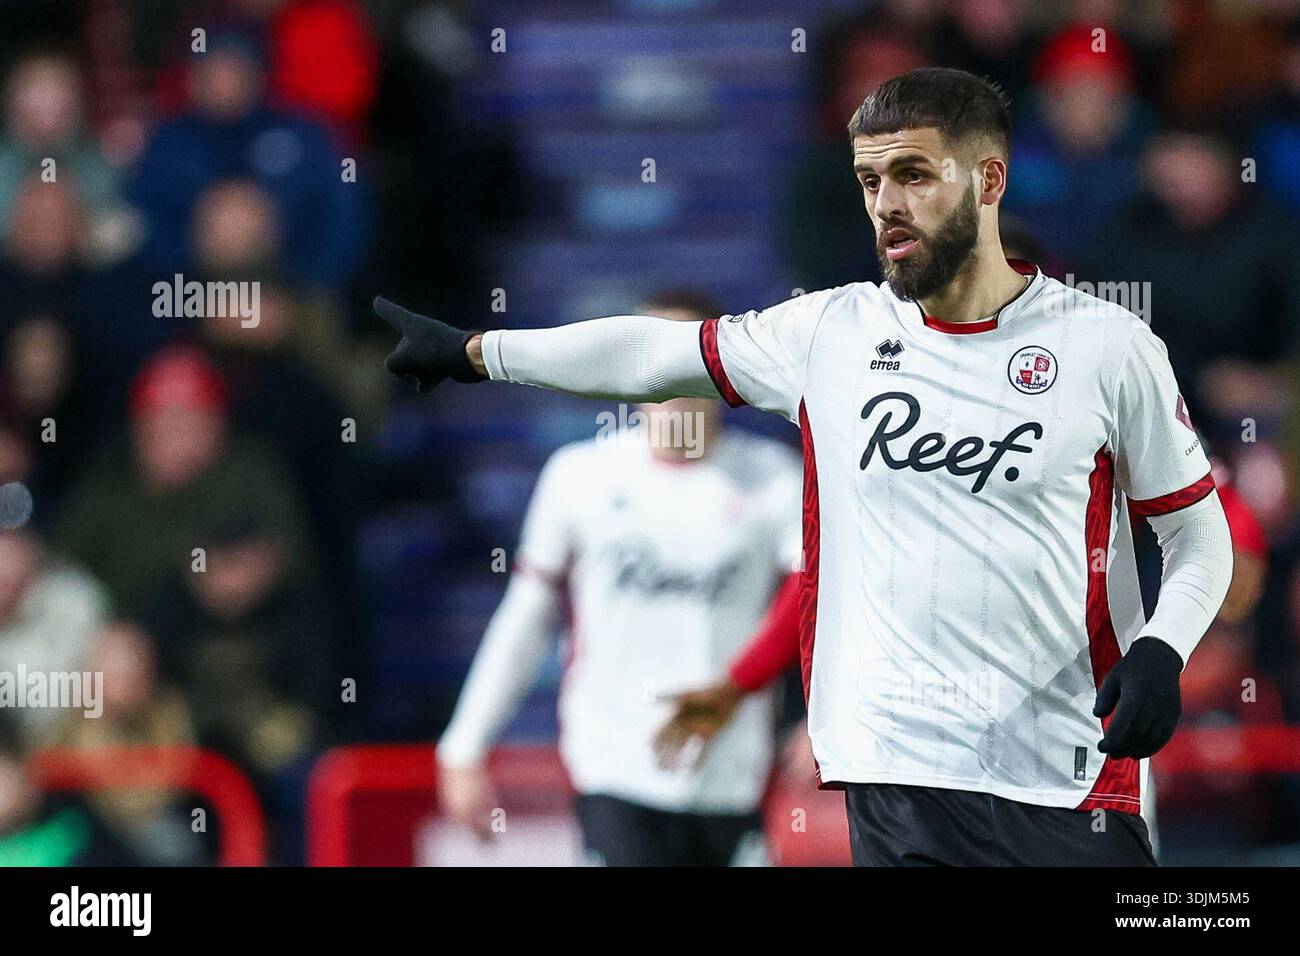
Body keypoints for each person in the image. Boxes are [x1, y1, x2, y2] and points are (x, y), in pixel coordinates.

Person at [374, 68, 1234, 867]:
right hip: (898, 773)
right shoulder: (831, 335)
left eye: (913, 176)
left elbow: (1198, 533)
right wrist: (479, 351)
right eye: (870, 182)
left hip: (1066, 775)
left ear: (989, 180)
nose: (887, 205)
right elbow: (652, 353)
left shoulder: (1107, 349)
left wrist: (1163, 646)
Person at [435, 292, 801, 867]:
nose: (675, 379)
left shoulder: (774, 481)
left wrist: (814, 724)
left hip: (731, 776)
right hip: (614, 770)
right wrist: (465, 745)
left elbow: (817, 609)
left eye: (689, 358)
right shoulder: (580, 478)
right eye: (658, 357)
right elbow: (526, 618)